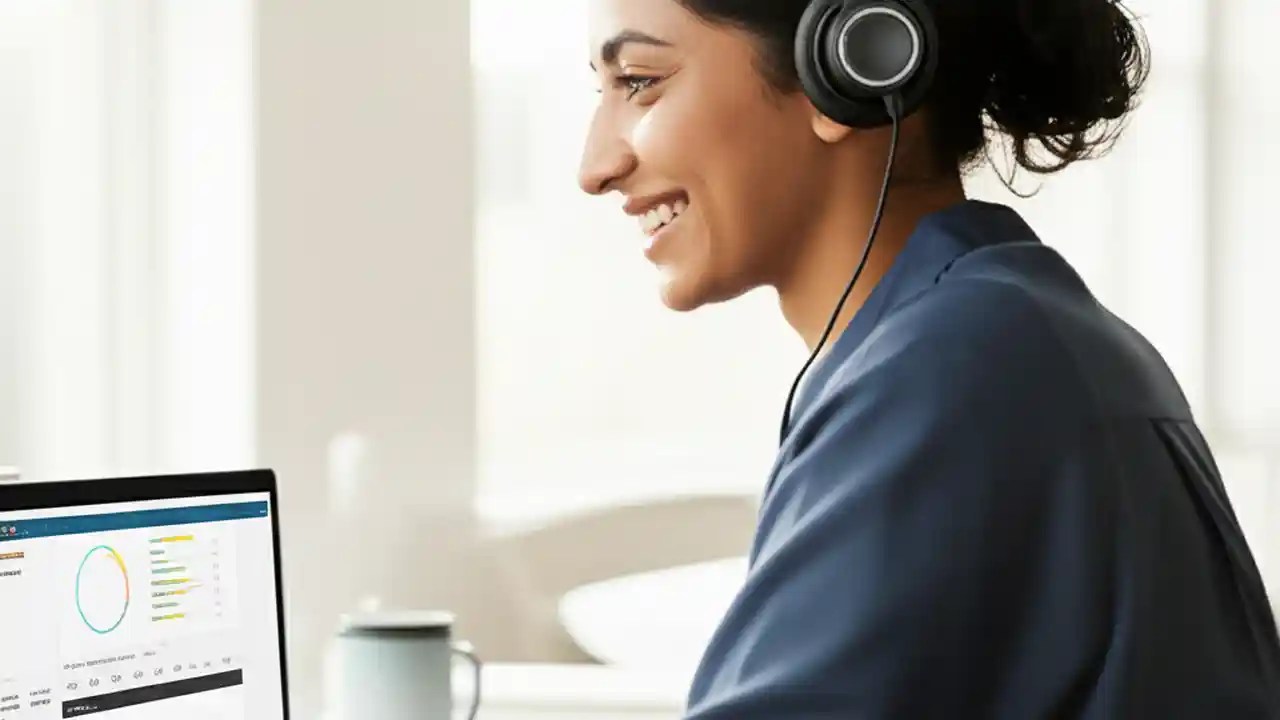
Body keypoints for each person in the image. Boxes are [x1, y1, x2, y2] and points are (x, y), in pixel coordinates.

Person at [579, 0, 1280, 717]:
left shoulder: (954, 375)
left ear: (850, 64)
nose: (595, 167)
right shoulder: (998, 334)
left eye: (639, 80)